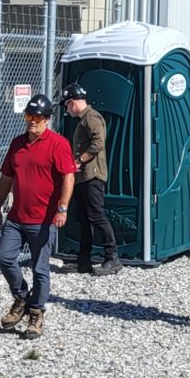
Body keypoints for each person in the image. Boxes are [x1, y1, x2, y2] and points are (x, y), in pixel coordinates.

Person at [0, 93, 76, 339]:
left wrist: (62, 207)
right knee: (4, 257)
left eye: (37, 117)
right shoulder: (17, 144)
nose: (32, 122)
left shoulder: (58, 144)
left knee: (41, 269)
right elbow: (7, 178)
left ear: (47, 120)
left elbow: (68, 177)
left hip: (44, 220)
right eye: (29, 116)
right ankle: (21, 298)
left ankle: (36, 314)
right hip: (17, 217)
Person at [61, 83, 121, 275]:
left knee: (96, 215)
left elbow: (98, 143)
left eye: (67, 105)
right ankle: (83, 261)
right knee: (84, 219)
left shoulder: (91, 117)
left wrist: (79, 160)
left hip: (92, 175)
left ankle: (112, 257)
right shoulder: (83, 119)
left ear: (73, 102)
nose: (66, 109)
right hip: (82, 177)